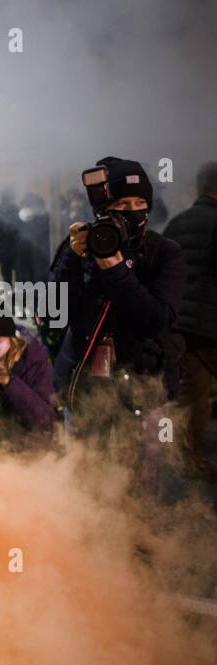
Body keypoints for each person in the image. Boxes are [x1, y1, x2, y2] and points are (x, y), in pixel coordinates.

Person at [53, 156, 186, 414]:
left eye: (140, 203)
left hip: (143, 385)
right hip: (84, 384)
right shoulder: (83, 245)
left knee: (145, 454)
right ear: (104, 210)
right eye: (122, 203)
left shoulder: (165, 253)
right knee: (83, 455)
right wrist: (71, 259)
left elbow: (157, 319)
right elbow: (53, 312)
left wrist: (116, 270)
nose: (132, 210)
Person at [163, 160, 217, 481]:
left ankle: (190, 459)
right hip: (212, 324)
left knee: (192, 395)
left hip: (181, 325)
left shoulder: (177, 223)